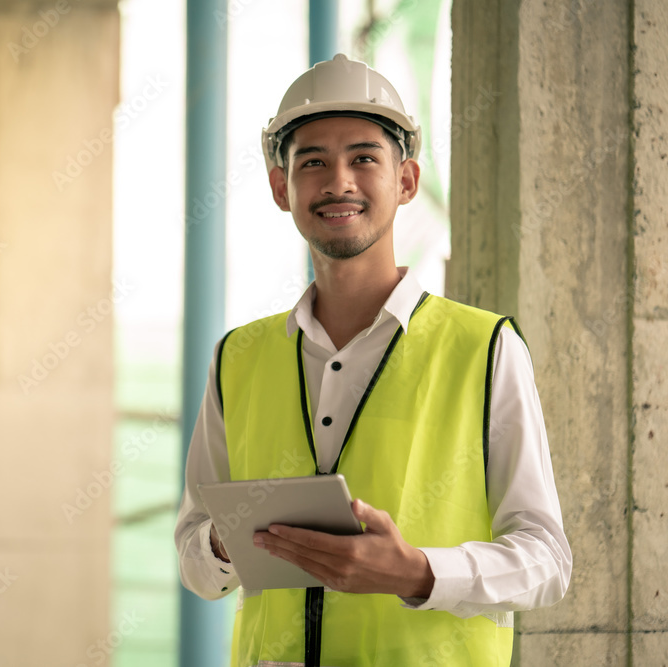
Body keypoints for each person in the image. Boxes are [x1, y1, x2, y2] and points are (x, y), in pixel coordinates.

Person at [174, 54, 572, 667]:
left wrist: (418, 571)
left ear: (406, 181)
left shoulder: (485, 349)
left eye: (364, 158)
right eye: (312, 162)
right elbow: (196, 564)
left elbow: (546, 560)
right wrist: (227, 545)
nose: (339, 182)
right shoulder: (237, 358)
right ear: (282, 188)